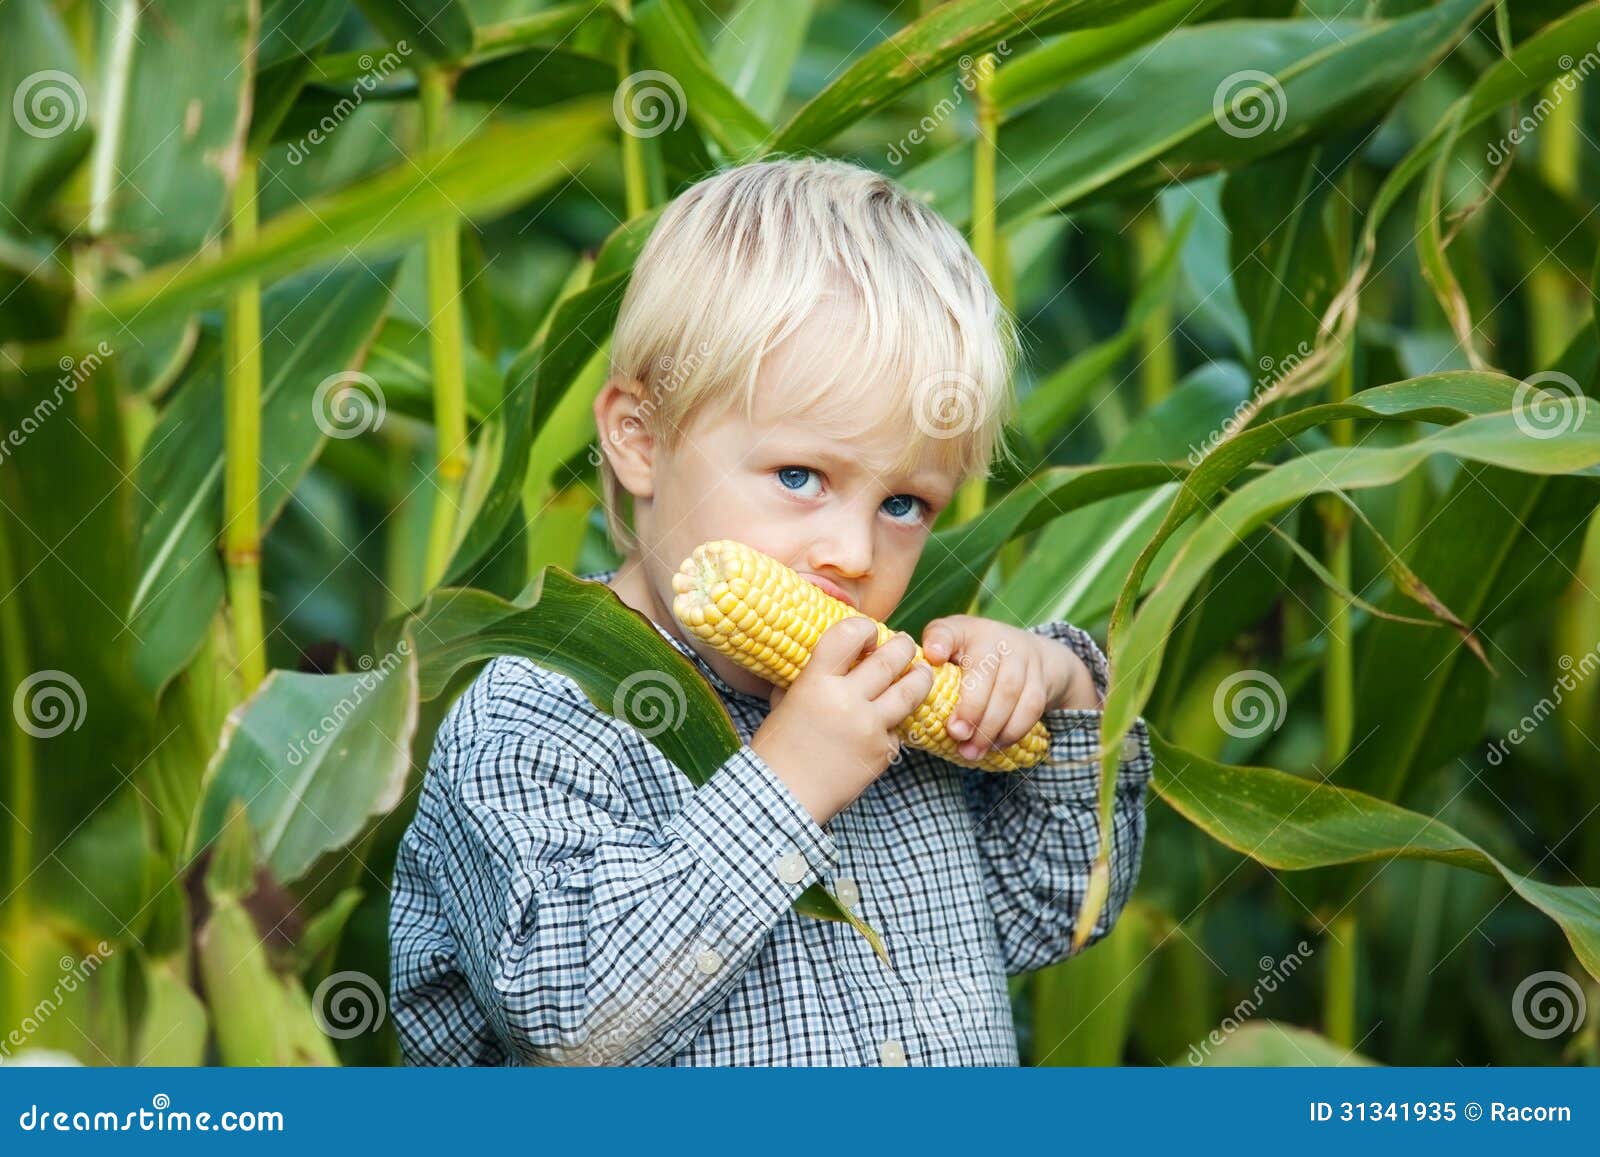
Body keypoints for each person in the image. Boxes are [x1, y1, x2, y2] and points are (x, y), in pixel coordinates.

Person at [388, 156, 1153, 1066]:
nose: (855, 553)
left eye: (903, 503)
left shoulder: (901, 724)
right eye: (800, 477)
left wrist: (1061, 697)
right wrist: (783, 786)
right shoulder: (540, 715)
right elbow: (570, 1020)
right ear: (640, 436)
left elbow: (1059, 910)